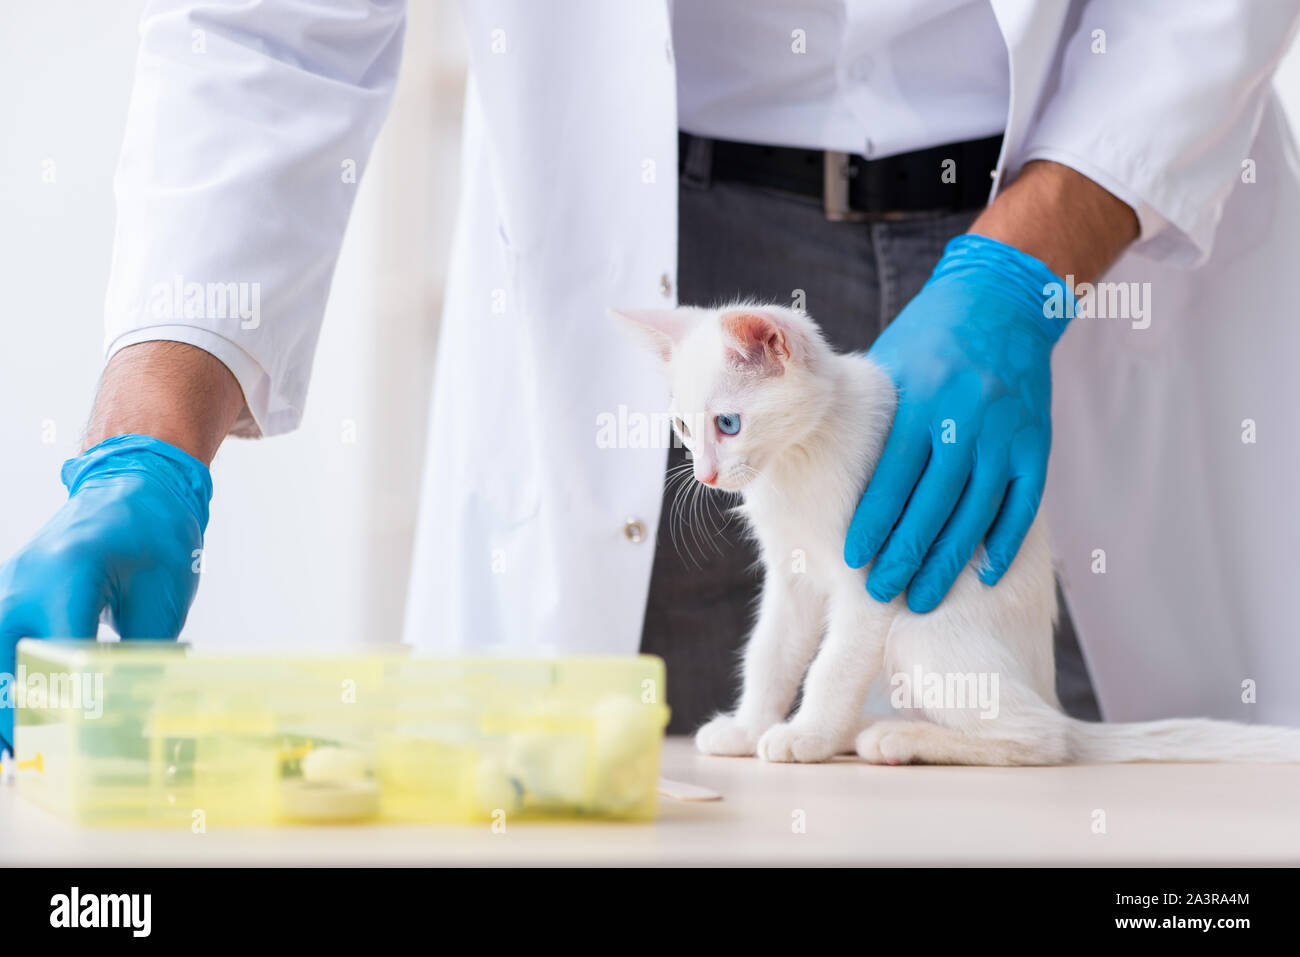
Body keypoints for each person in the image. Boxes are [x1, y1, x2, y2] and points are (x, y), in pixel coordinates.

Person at [3, 1, 1300, 751]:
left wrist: (1030, 266)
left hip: (1090, 223)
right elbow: (271, 29)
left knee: (1098, 803)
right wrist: (148, 437)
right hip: (657, 246)